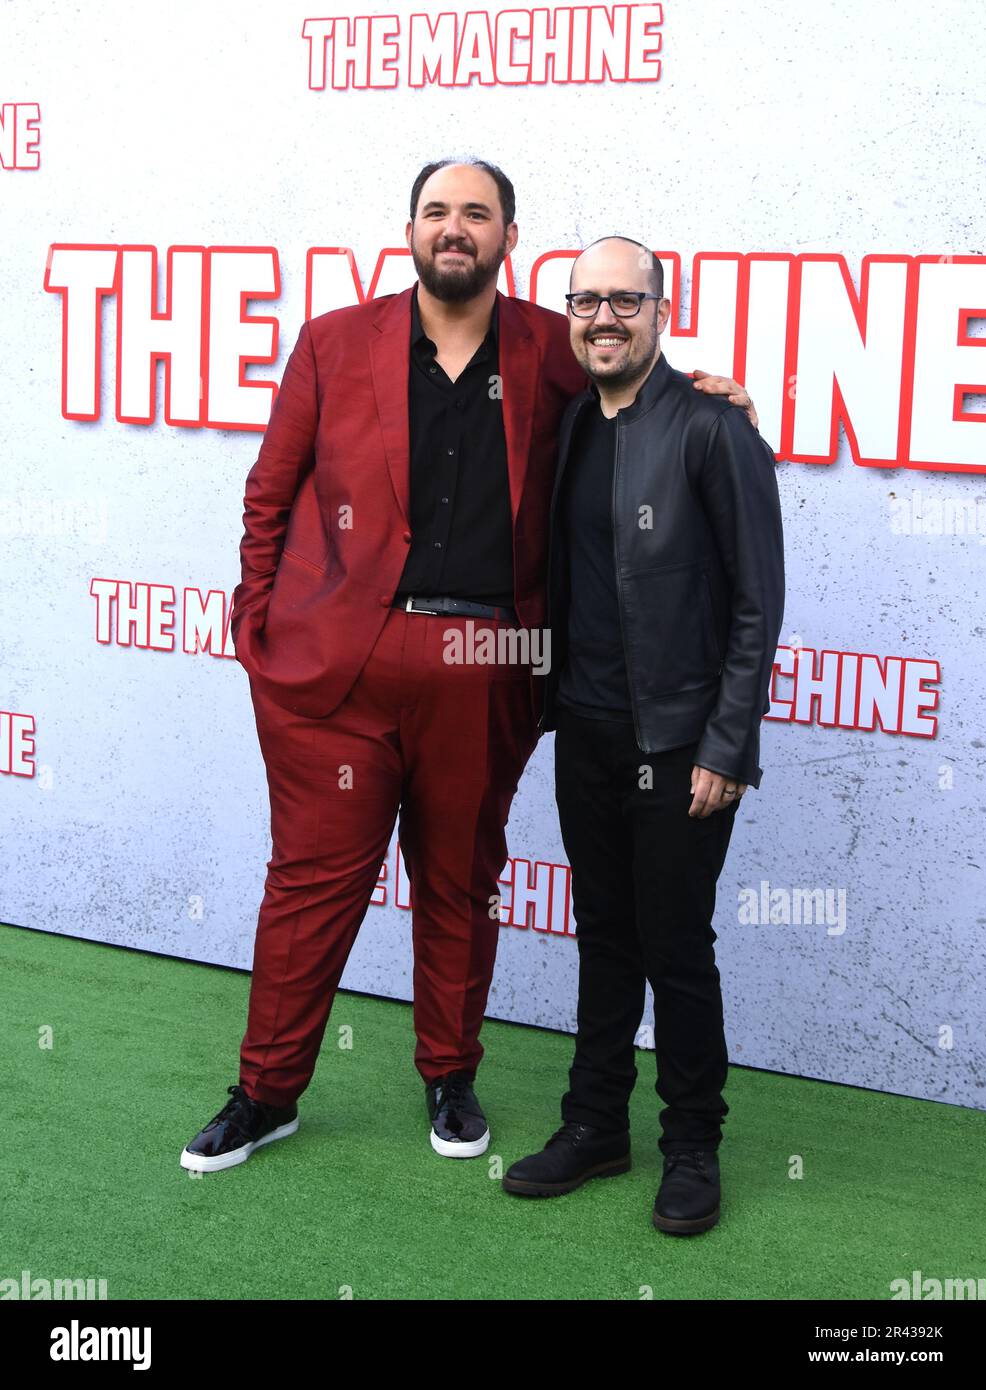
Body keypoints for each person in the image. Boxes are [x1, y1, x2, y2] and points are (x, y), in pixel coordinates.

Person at [180, 163, 756, 1174]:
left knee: (461, 882)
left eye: (476, 214)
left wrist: (708, 390)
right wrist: (261, 630)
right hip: (340, 669)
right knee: (311, 885)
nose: (456, 228)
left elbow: (636, 388)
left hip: (486, 659)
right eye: (439, 211)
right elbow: (267, 495)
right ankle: (265, 1092)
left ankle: (451, 1075)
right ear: (410, 229)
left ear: (508, 234)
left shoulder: (552, 347)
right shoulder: (332, 342)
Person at [502, 236, 785, 1234]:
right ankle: (595, 1126)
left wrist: (726, 744)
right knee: (604, 936)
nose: (604, 318)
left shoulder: (713, 430)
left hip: (680, 744)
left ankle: (693, 1146)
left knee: (677, 945)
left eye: (625, 300)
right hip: (585, 729)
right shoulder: (576, 423)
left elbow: (758, 602)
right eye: (586, 301)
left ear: (663, 309)